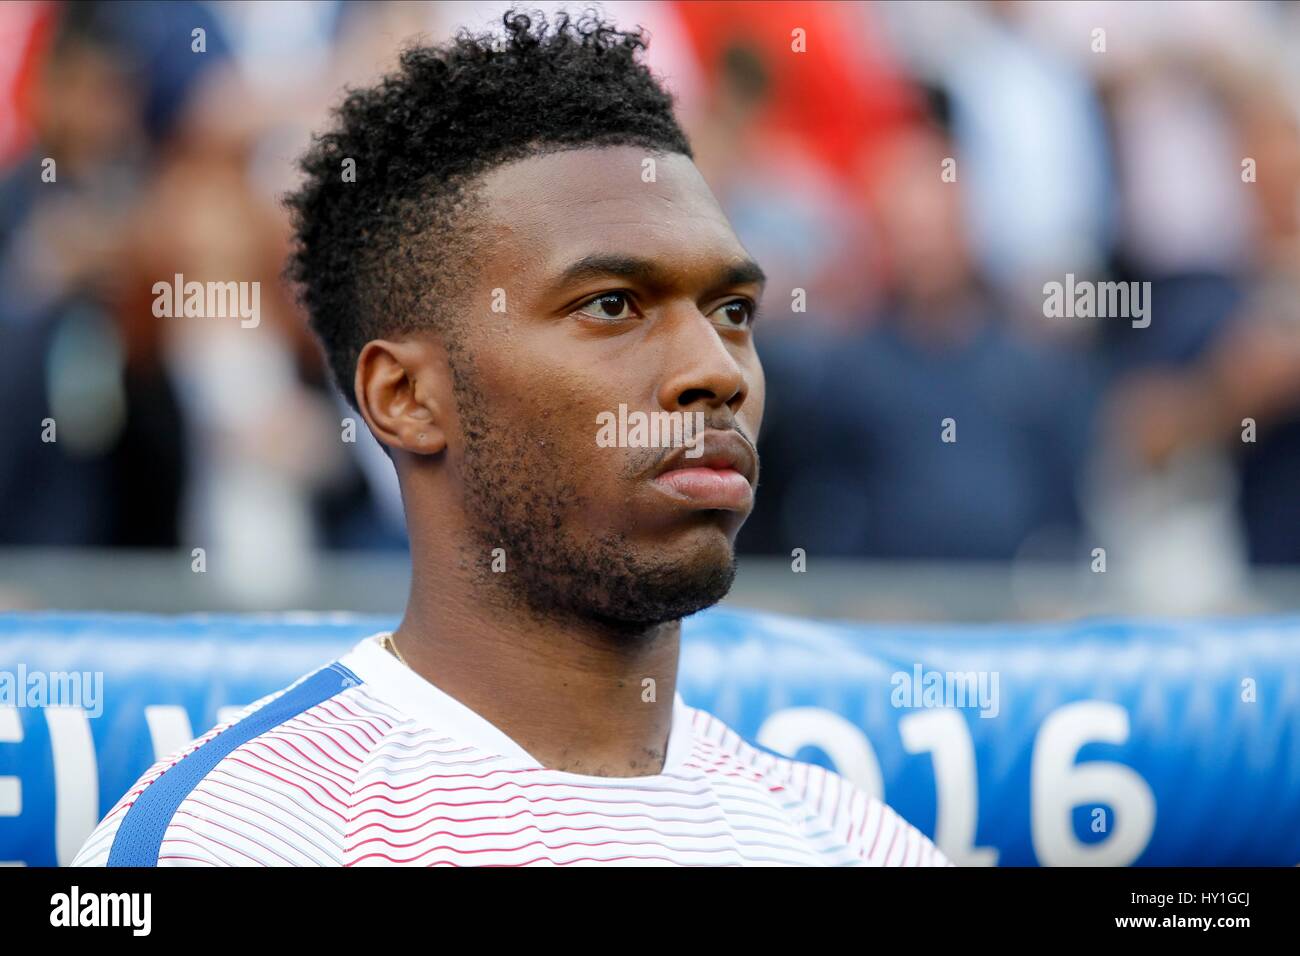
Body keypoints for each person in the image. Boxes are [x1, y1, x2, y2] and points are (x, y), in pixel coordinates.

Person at [72, 9, 948, 867]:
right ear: (406, 396)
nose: (716, 370)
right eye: (612, 305)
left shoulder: (855, 840)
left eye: (732, 311)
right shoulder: (234, 839)